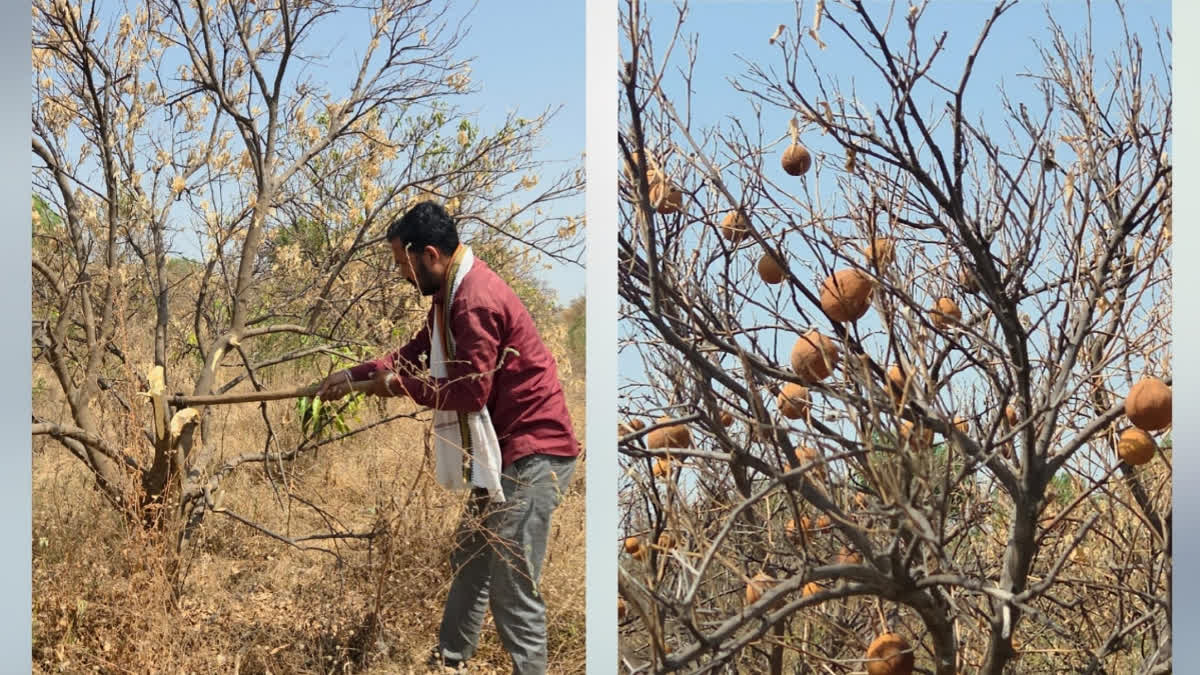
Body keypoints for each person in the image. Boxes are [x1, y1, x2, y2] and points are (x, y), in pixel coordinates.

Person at [317, 201, 580, 674]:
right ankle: (450, 660)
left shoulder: (473, 299)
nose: (401, 273)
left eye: (402, 262)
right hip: (503, 453)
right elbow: (416, 351)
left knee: (512, 583)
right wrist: (354, 375)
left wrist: (399, 387)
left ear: (430, 255)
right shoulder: (451, 293)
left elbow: (470, 391)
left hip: (533, 454)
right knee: (470, 556)